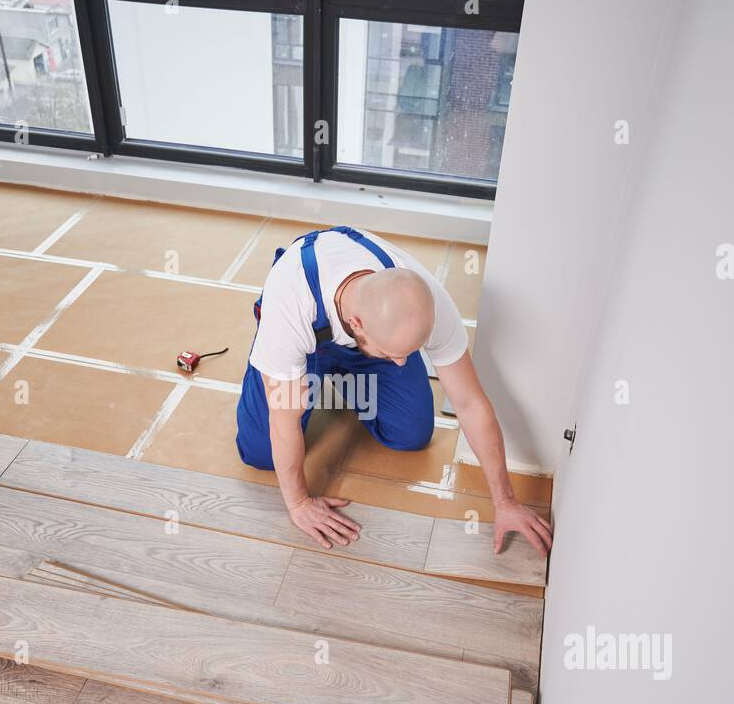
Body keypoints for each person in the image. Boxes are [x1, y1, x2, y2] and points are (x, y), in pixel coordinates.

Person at [235, 225, 552, 557]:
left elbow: (470, 404)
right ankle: (300, 370)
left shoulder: (425, 303)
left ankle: (346, 371)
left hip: (366, 341)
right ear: (357, 324)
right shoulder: (290, 305)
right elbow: (283, 421)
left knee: (410, 433)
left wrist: (506, 501)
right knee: (263, 453)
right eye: (392, 355)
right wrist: (299, 503)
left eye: (408, 352)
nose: (401, 364)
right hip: (305, 341)